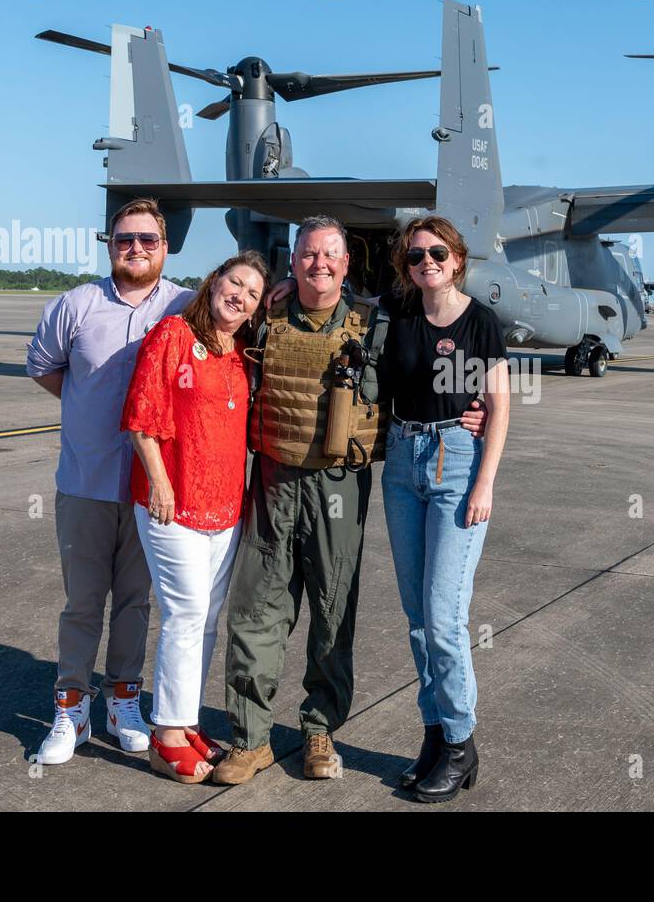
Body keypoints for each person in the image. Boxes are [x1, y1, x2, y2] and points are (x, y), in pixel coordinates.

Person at [215, 215, 485, 785]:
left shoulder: (376, 319)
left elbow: (431, 360)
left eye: (330, 255)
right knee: (258, 609)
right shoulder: (263, 316)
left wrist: (474, 412)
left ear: (346, 262)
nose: (319, 264)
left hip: (339, 485)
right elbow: (211, 330)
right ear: (293, 262)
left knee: (333, 610)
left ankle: (319, 729)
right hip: (273, 478)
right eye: (308, 255)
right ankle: (250, 738)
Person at [26, 198, 193, 764]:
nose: (136, 248)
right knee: (81, 602)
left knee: (137, 601)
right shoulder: (74, 306)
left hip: (155, 489)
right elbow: (47, 368)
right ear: (109, 243)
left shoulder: (187, 308)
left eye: (148, 239)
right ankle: (71, 704)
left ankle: (124, 697)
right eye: (125, 238)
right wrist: (89, 410)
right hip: (86, 480)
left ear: (165, 247)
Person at [121, 251, 267, 783]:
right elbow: (142, 416)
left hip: (226, 507)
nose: (240, 296)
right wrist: (159, 480)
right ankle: (165, 736)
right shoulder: (173, 335)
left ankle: (185, 722)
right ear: (213, 282)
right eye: (235, 283)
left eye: (252, 293)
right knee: (185, 614)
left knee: (206, 618)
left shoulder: (241, 352)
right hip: (173, 503)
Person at [379, 216, 510, 803]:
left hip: (456, 462)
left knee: (444, 615)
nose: (425, 262)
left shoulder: (480, 322)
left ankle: (461, 742)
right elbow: (335, 293)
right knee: (414, 614)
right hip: (402, 462)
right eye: (415, 256)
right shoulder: (401, 312)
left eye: (437, 253)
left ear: (457, 259)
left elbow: (501, 405)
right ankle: (434, 737)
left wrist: (485, 482)